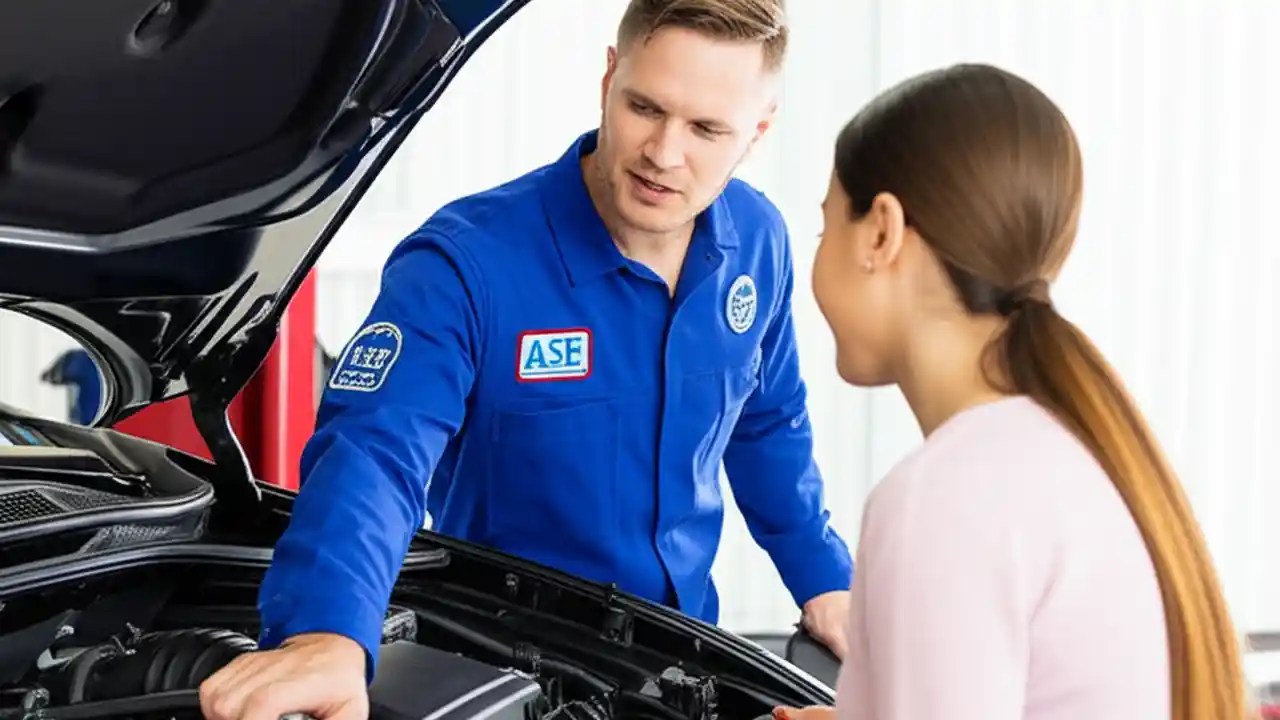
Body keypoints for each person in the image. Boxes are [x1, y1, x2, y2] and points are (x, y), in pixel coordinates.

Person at [199, 2, 854, 719]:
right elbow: (374, 453)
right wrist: (323, 633)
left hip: (681, 656)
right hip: (505, 666)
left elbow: (767, 423)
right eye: (645, 107)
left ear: (758, 130)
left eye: (706, 129)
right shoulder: (464, 265)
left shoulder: (759, 241)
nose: (664, 154)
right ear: (609, 77)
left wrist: (823, 579)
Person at [774, 64, 1250, 719]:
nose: (817, 260)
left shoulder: (943, 496)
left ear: (881, 231)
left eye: (826, 227)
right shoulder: (1073, 448)